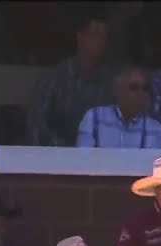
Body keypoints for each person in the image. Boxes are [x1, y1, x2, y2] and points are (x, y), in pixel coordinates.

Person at [27, 12, 114, 147]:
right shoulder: (54, 78)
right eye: (95, 34)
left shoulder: (109, 82)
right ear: (80, 37)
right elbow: (36, 124)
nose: (100, 41)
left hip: (97, 159)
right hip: (55, 158)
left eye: (104, 37)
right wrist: (67, 152)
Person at [75, 66, 161, 149]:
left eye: (145, 88)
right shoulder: (94, 119)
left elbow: (150, 165)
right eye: (134, 87)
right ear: (118, 91)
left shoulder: (155, 129)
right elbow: (83, 160)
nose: (141, 93)